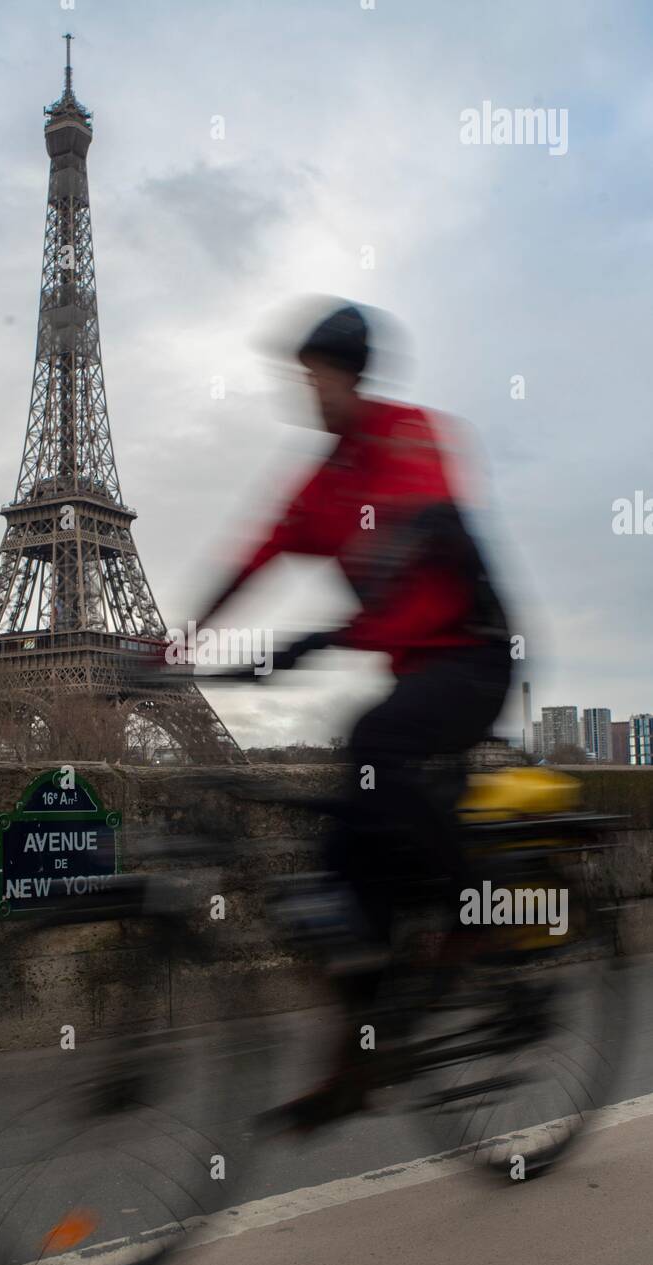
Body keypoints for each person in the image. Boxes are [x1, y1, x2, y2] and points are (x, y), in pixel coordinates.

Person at [194, 303, 513, 1125]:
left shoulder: (409, 435)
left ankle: (474, 914)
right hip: (412, 672)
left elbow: (428, 523)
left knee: (375, 739)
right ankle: (358, 1057)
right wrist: (171, 648)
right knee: (341, 851)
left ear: (350, 374)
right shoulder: (322, 483)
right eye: (301, 376)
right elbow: (255, 553)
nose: (307, 391)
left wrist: (319, 631)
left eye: (316, 376)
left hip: (473, 660)